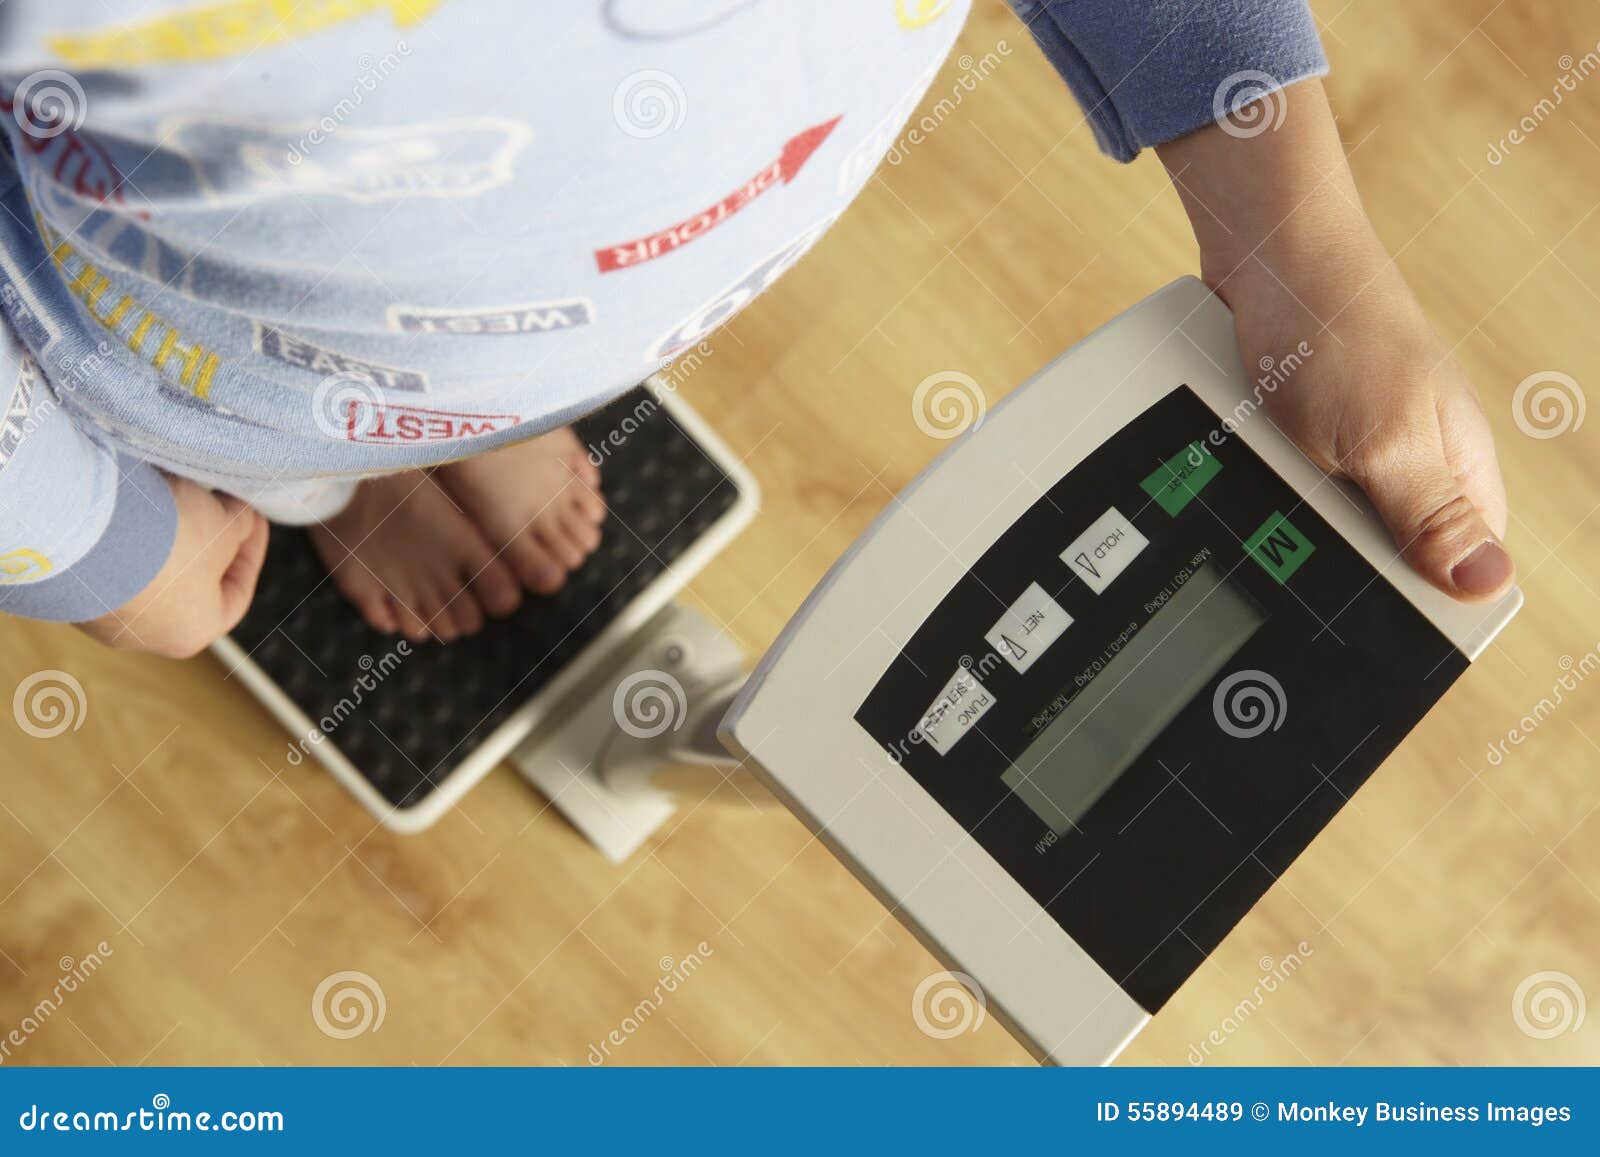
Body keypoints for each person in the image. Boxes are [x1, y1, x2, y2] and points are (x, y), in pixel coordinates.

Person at [0, 0, 1513, 658]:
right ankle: (334, 483)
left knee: (500, 322)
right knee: (308, 430)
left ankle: (473, 416)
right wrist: (88, 549)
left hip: (608, 270)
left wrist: (1306, 243)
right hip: (204, 344)